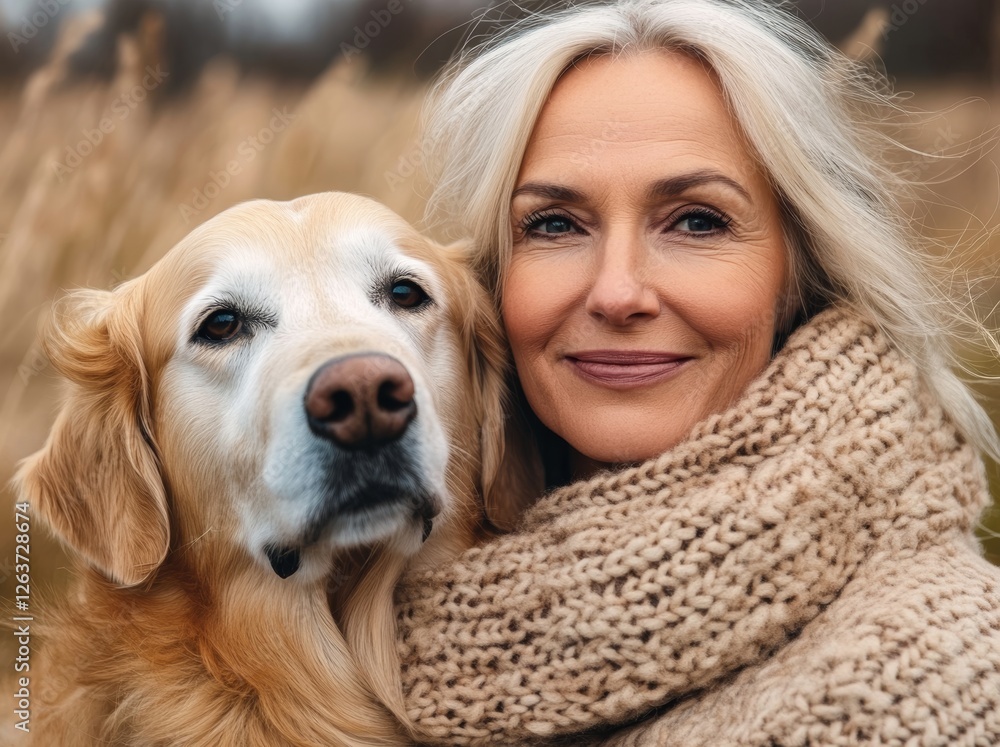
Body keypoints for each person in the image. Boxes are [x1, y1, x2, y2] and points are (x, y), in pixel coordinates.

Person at [382, 1, 1000, 743]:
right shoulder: (352, 629)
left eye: (697, 220)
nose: (616, 291)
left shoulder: (945, 678)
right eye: (554, 224)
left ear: (797, 272)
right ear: (494, 279)